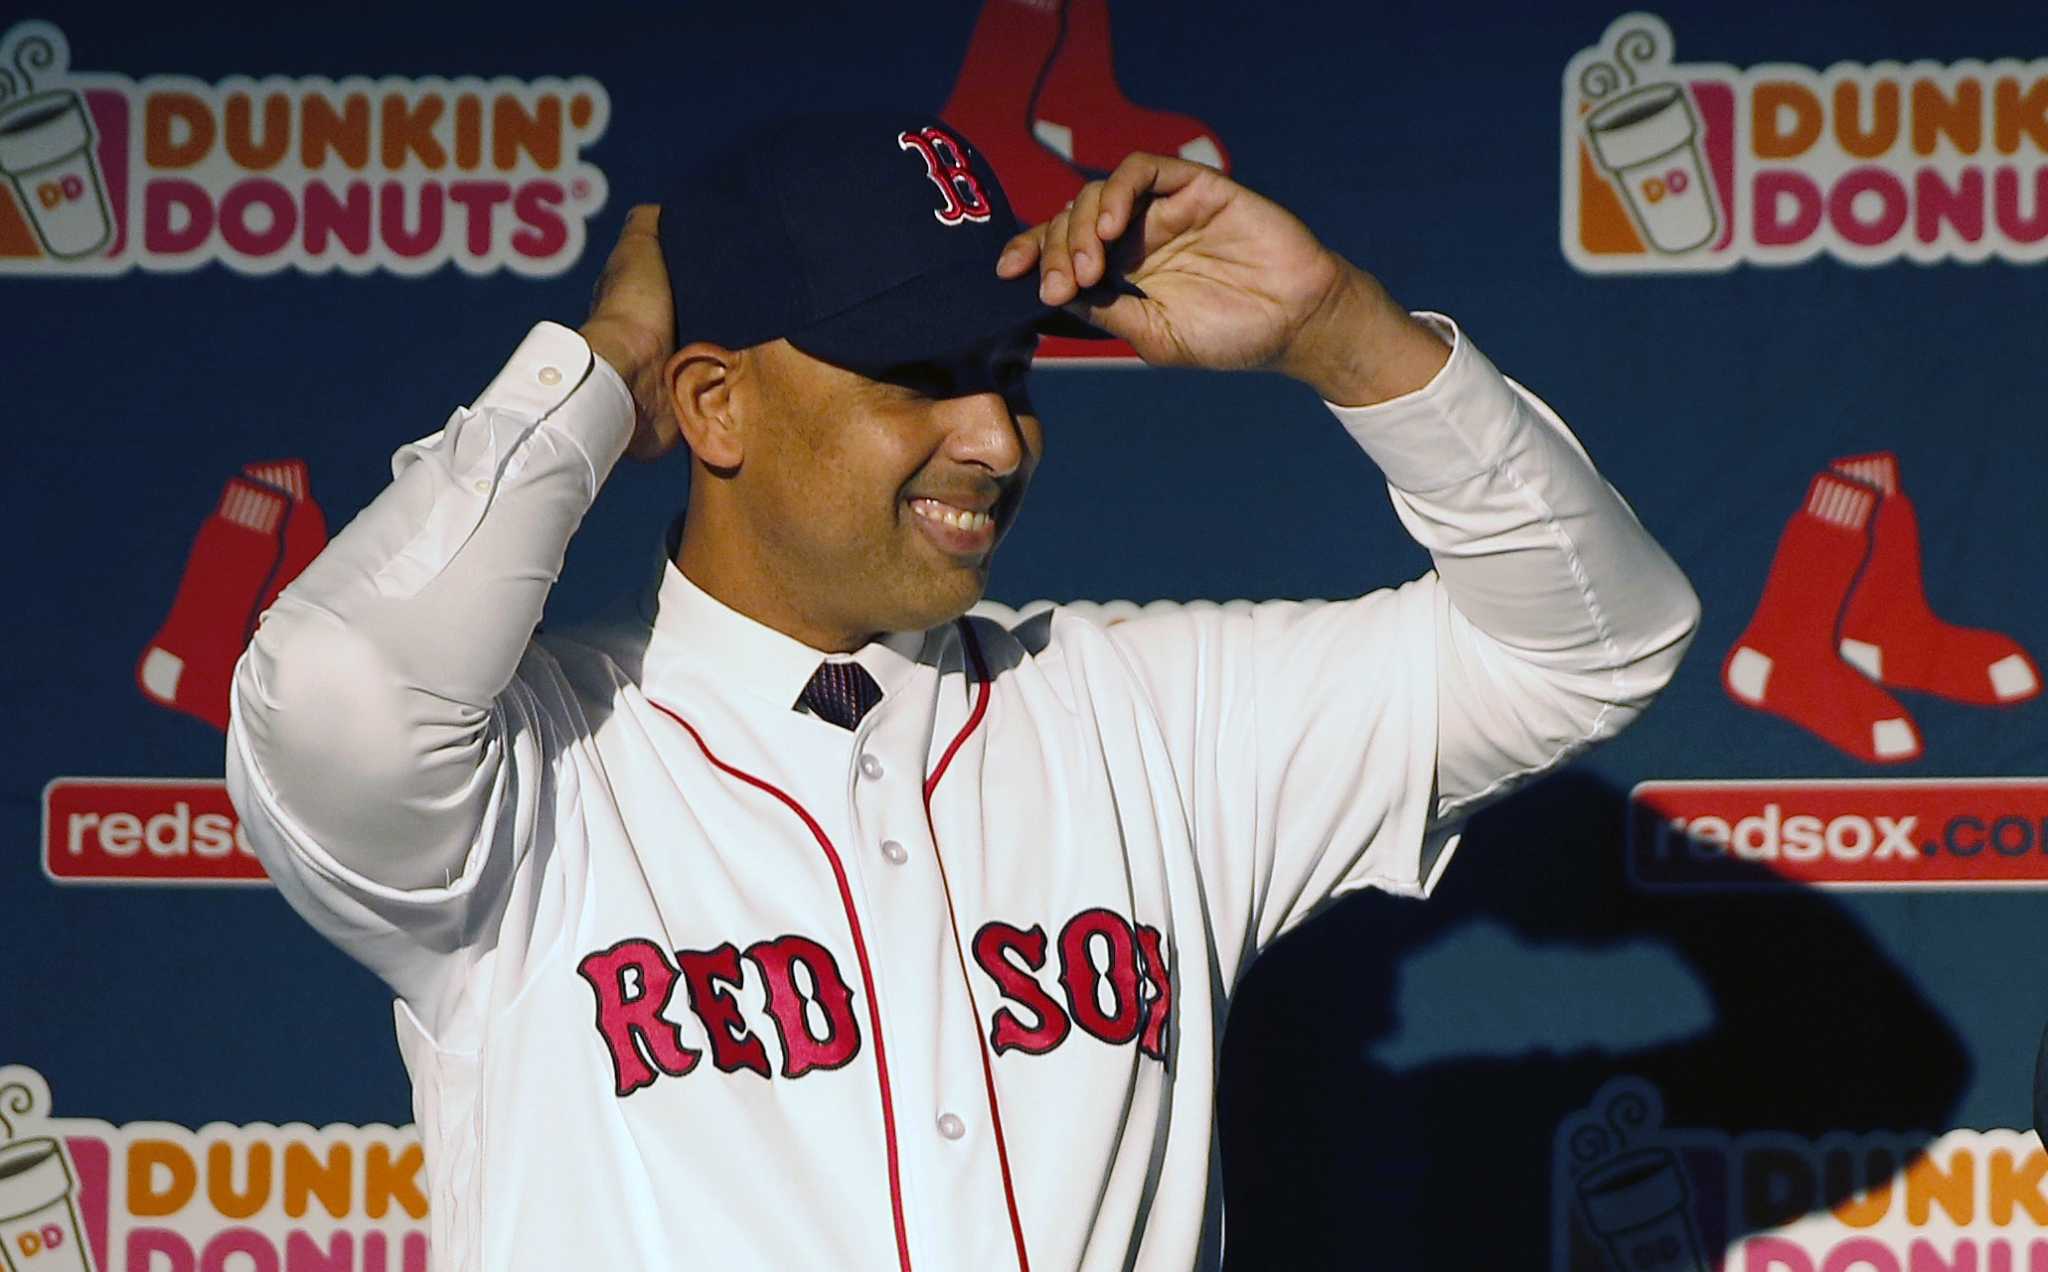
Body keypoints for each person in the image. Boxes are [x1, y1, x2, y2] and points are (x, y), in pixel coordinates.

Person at [226, 112, 1698, 1271]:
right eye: (919, 373)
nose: (997, 434)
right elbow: (338, 683)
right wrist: (606, 367)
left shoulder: (1140, 714)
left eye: (1008, 369)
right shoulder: (536, 771)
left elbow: (1593, 643)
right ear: (715, 403)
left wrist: (1344, 334)